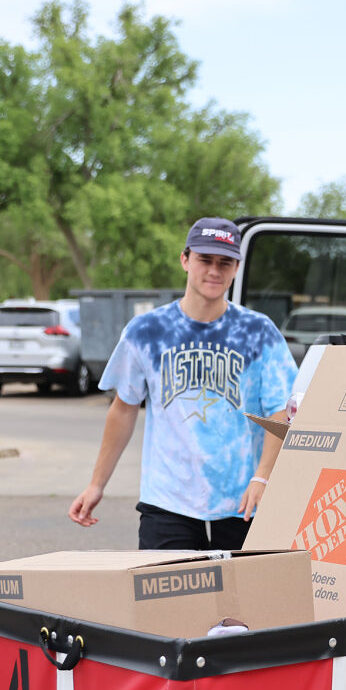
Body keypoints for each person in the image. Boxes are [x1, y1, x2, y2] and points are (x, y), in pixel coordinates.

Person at [68, 217, 297, 549]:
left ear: (236, 268)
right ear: (185, 260)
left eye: (225, 262)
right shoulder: (146, 330)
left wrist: (263, 477)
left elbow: (281, 412)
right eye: (205, 260)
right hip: (168, 500)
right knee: (166, 599)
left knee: (244, 600)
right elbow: (124, 408)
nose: (214, 271)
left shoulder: (258, 331)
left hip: (243, 499)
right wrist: (96, 484)